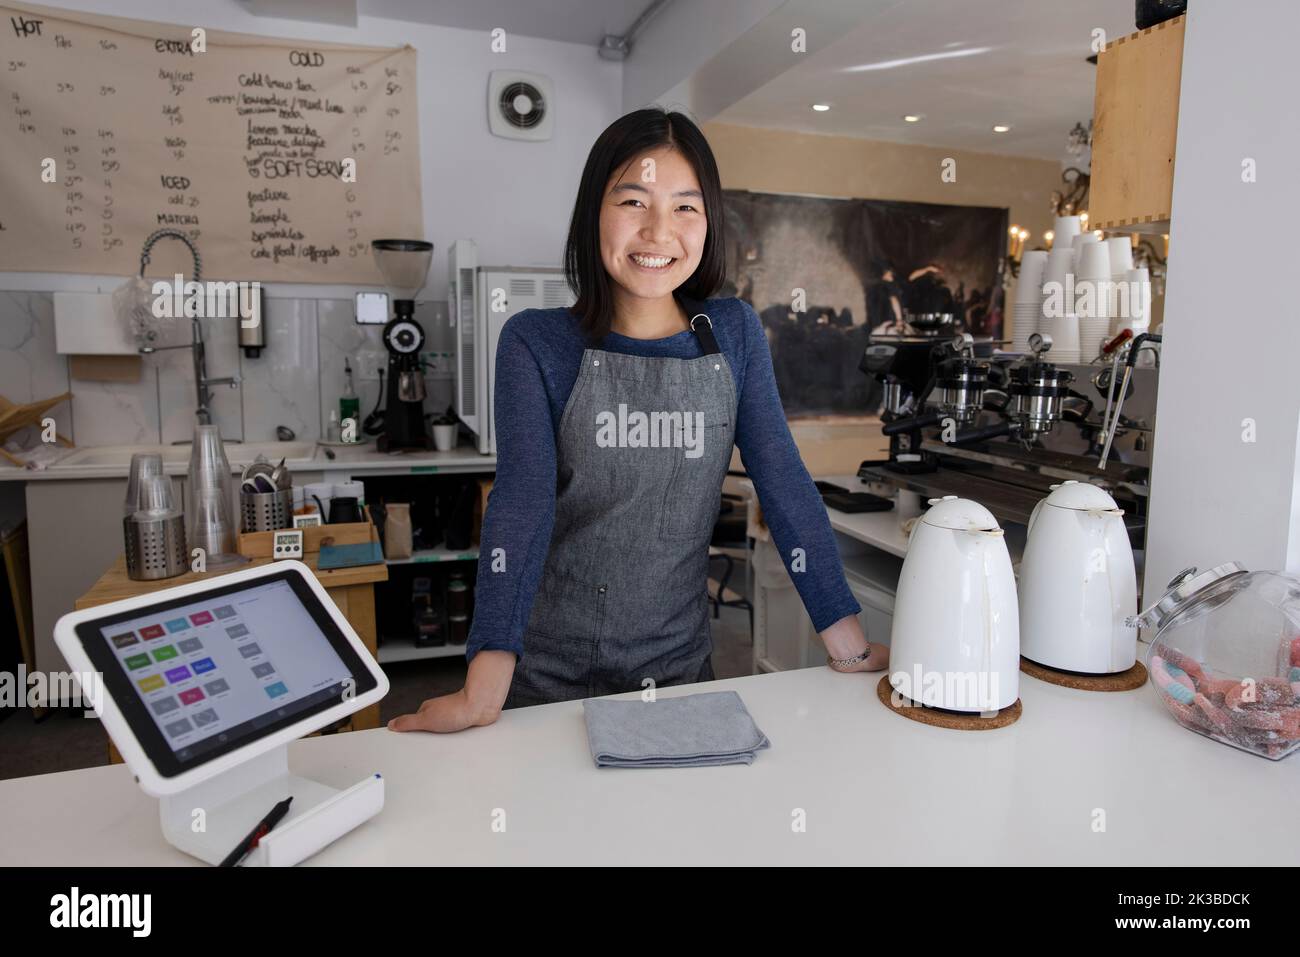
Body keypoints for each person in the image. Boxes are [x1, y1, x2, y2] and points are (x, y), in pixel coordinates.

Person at [389, 108, 887, 734]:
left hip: (675, 672)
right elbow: (521, 505)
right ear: (593, 211)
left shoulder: (731, 333)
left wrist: (851, 649)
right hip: (542, 677)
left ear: (708, 223)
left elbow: (784, 485)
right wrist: (483, 690)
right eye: (633, 200)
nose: (659, 232)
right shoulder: (537, 342)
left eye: (686, 207)